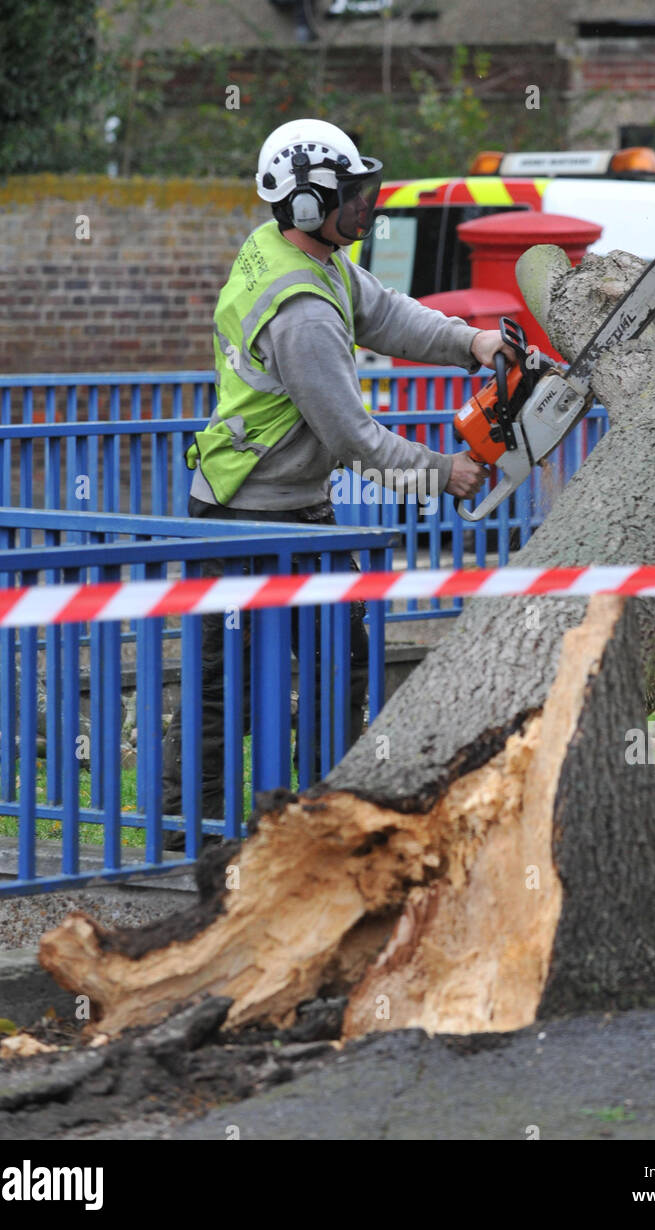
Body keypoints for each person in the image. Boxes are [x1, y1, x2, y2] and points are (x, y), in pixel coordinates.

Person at [161, 117, 515, 850]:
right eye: (349, 196)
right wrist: (441, 472)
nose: (367, 207)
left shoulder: (307, 262)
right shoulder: (302, 314)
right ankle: (187, 830)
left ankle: (322, 820)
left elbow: (388, 315)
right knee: (226, 685)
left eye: (364, 191)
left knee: (340, 663)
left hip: (290, 508)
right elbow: (352, 436)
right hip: (245, 519)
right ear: (301, 205)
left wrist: (472, 344)